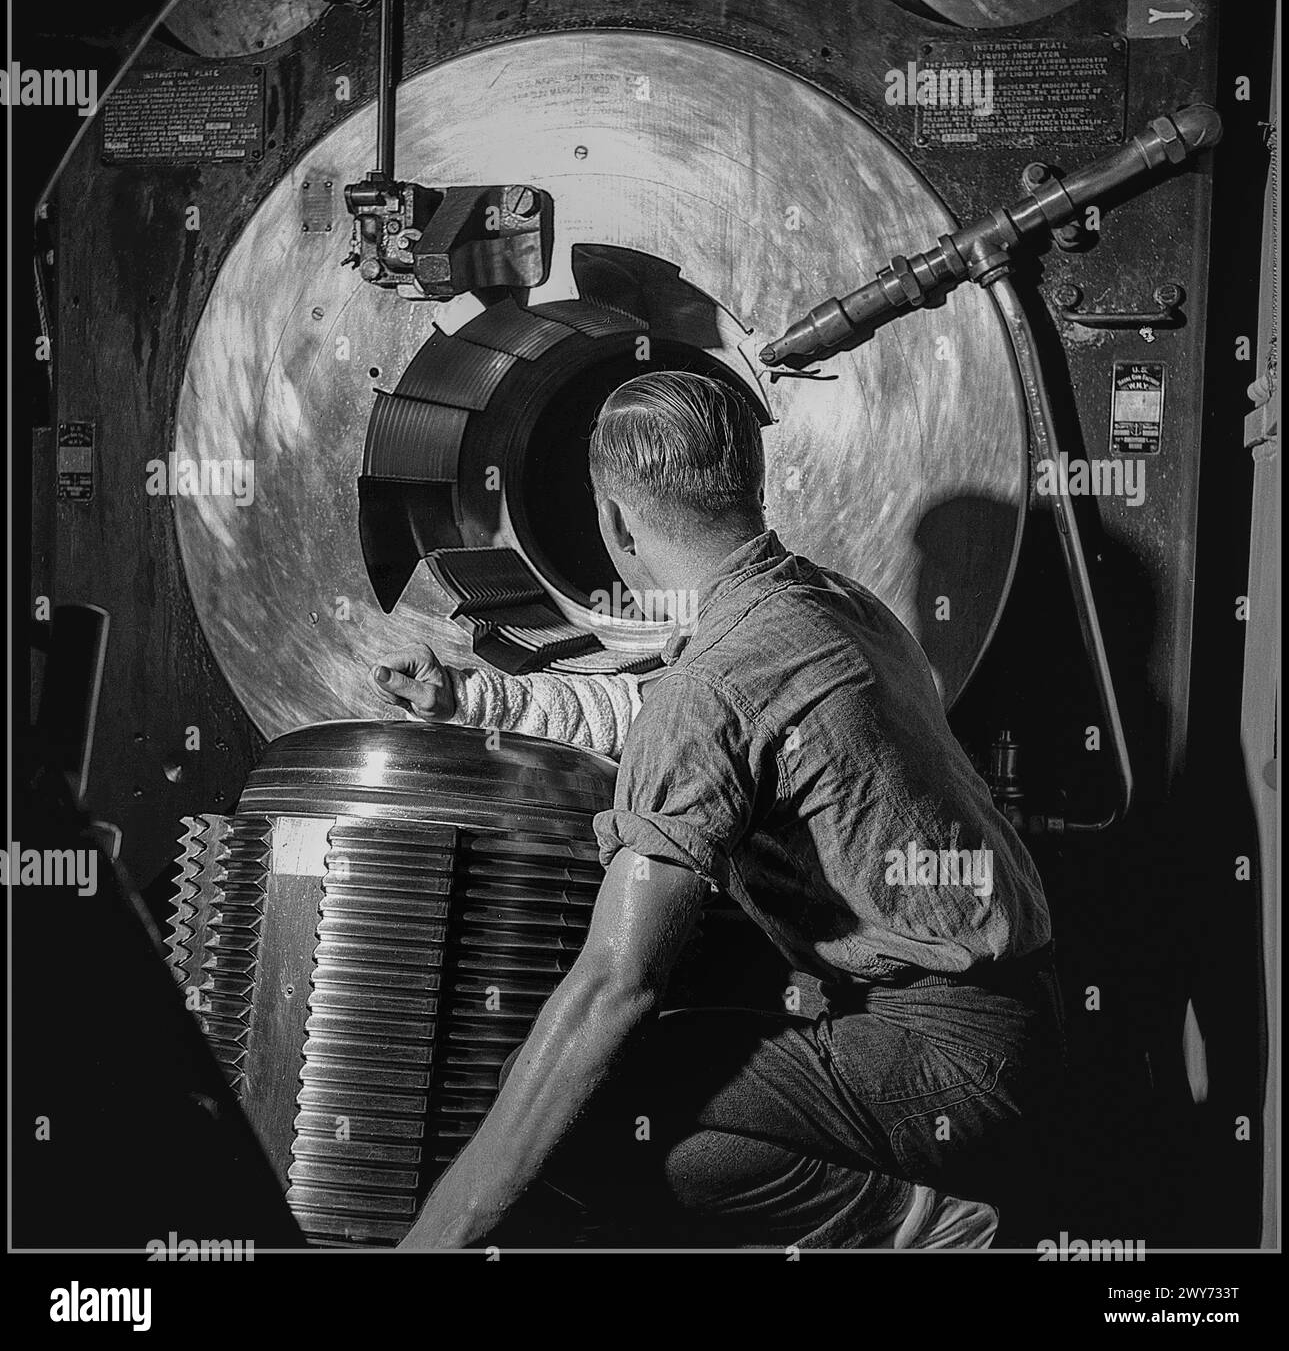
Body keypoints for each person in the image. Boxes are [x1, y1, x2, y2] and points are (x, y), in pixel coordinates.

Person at [371, 370, 1065, 1250]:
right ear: (748, 483)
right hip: (1012, 1022)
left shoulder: (717, 684)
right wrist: (476, 701)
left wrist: (436, 1237)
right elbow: (684, 715)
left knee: (575, 1118)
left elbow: (613, 988)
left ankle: (922, 1230)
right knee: (596, 1097)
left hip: (946, 1061)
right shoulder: (832, 604)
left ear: (615, 521)